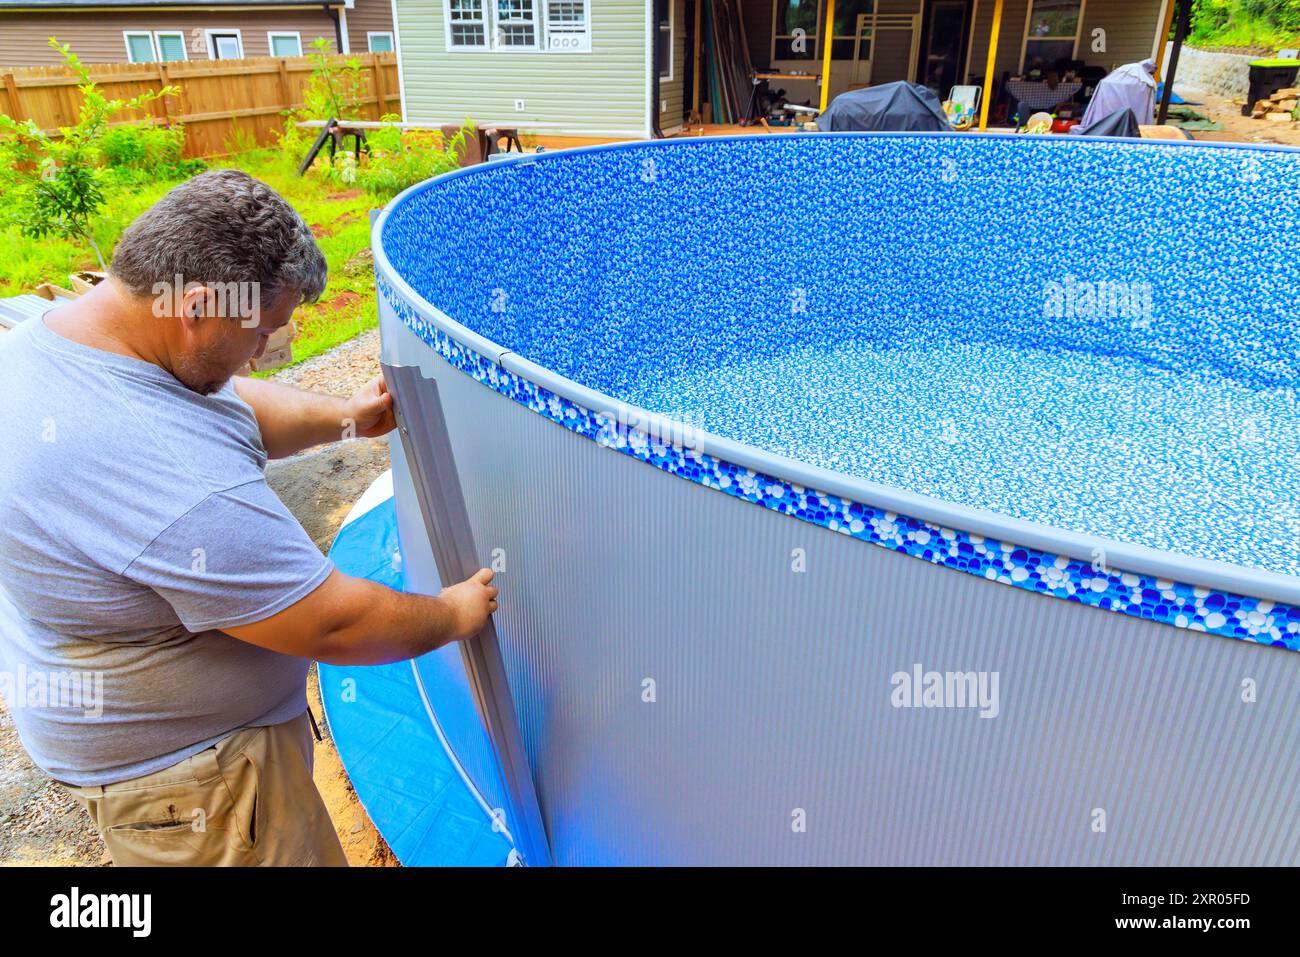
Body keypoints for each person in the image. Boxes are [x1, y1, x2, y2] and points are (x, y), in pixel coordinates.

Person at [0, 169, 498, 866]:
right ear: (196, 304)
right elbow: (333, 621)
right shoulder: (165, 473)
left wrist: (345, 420)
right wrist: (451, 614)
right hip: (203, 793)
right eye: (260, 330)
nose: (263, 350)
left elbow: (226, 404)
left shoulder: (65, 337)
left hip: (152, 750)